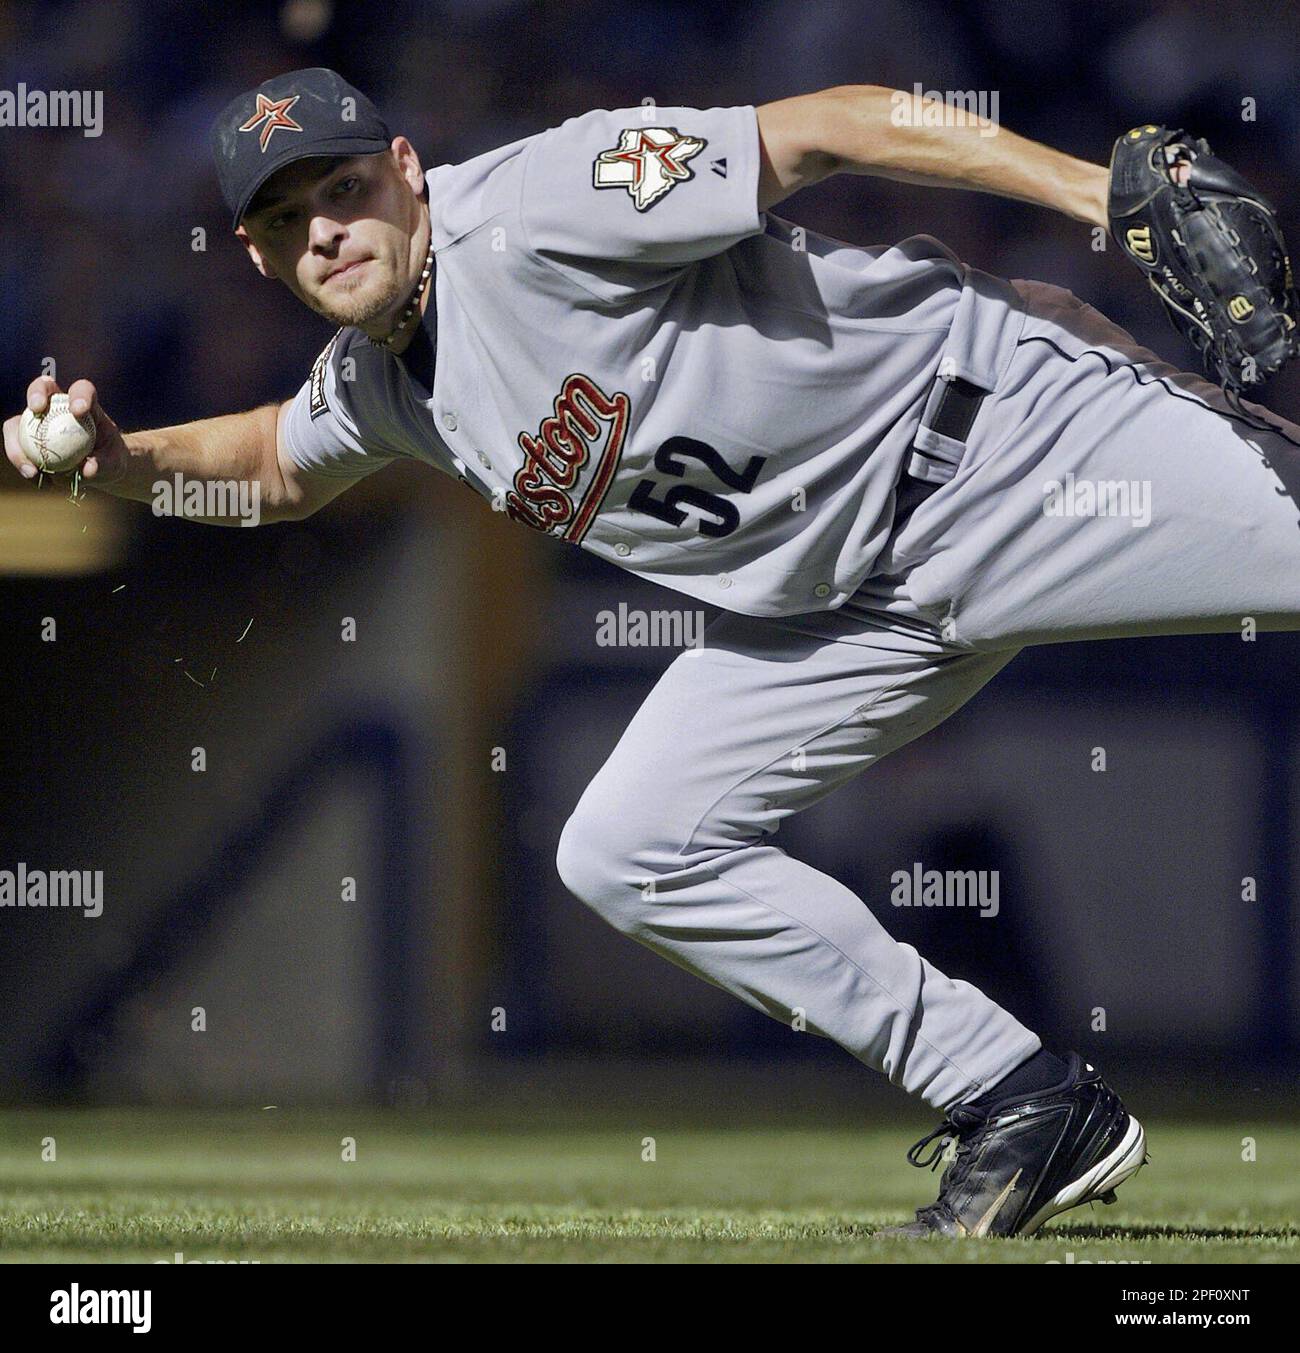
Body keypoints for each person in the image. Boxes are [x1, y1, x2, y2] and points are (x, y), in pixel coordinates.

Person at [11, 67, 1300, 1237]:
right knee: (629, 847)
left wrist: (1093, 192)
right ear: (254, 253)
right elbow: (280, 466)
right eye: (288, 222)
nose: (326, 232)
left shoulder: (539, 205)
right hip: (848, 610)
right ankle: (1019, 1097)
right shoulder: (392, 381)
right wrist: (120, 462)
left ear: (405, 168)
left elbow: (821, 131)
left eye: (342, 191)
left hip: (1005, 440)